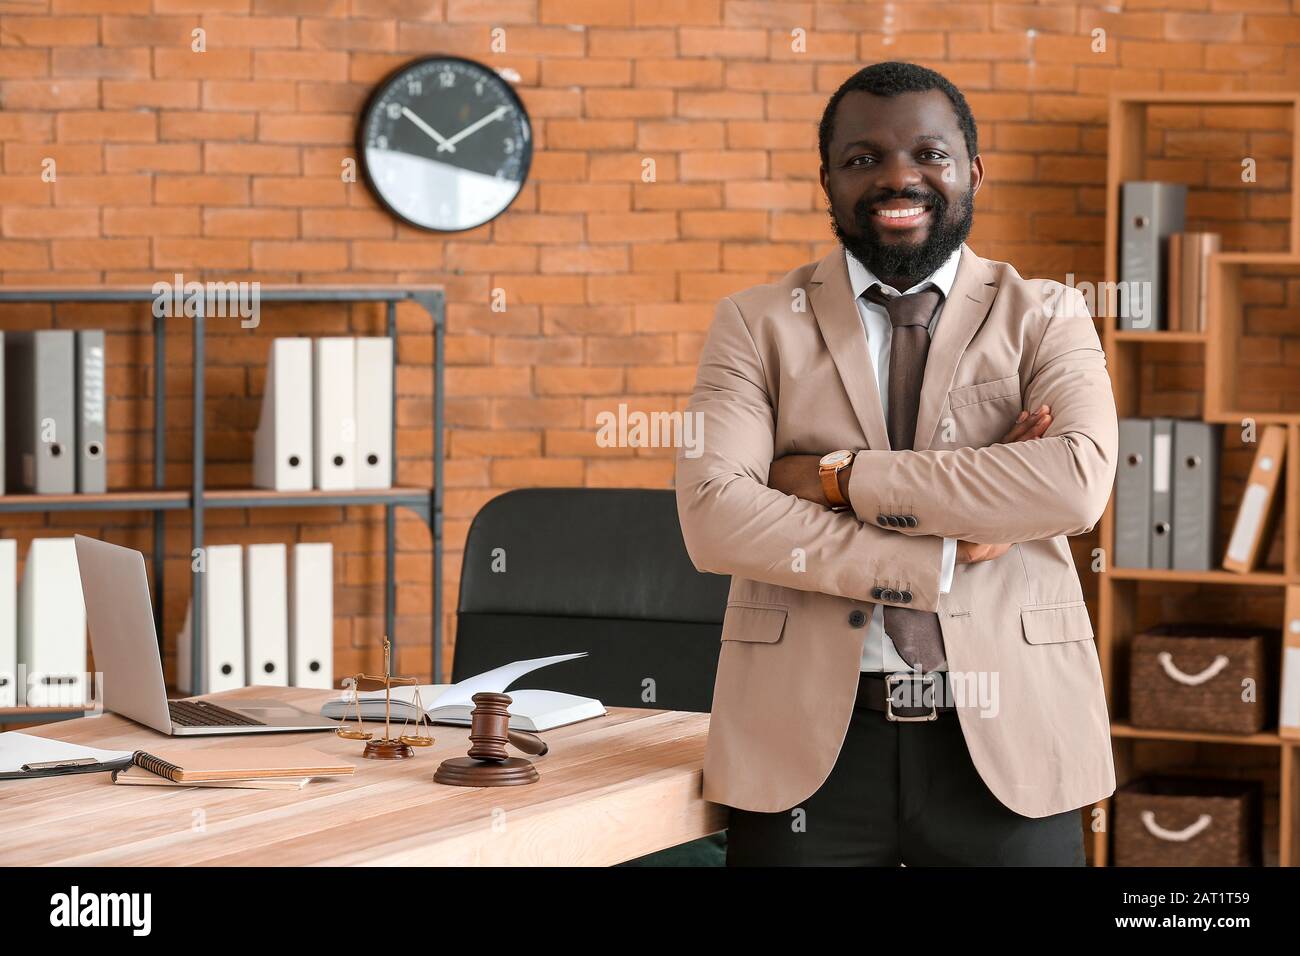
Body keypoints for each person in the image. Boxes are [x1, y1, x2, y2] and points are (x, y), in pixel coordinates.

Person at [675, 61, 1119, 866]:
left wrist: (836, 478)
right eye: (862, 159)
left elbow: (1074, 481)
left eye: (929, 154)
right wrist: (947, 550)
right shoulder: (754, 323)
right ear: (828, 180)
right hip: (807, 749)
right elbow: (714, 515)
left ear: (973, 169)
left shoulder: (1048, 312)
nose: (898, 178)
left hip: (1010, 736)